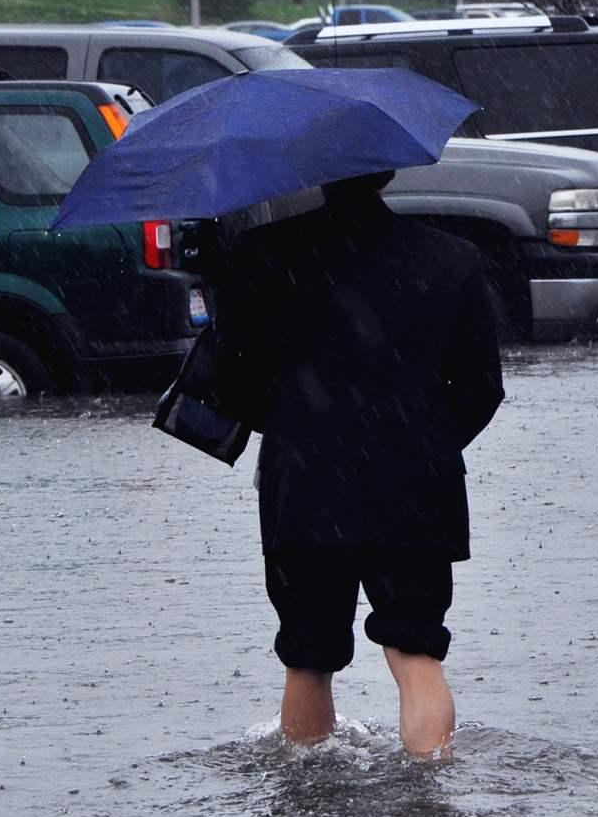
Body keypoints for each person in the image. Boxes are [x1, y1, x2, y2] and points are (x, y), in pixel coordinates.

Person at [212, 172, 505, 757]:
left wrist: (304, 430)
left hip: (305, 487)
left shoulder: (263, 254)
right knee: (417, 648)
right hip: (417, 486)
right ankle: (428, 792)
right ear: (390, 172)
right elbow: (482, 389)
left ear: (317, 174)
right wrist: (425, 442)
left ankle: (309, 801)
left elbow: (234, 385)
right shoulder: (452, 258)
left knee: (308, 654)